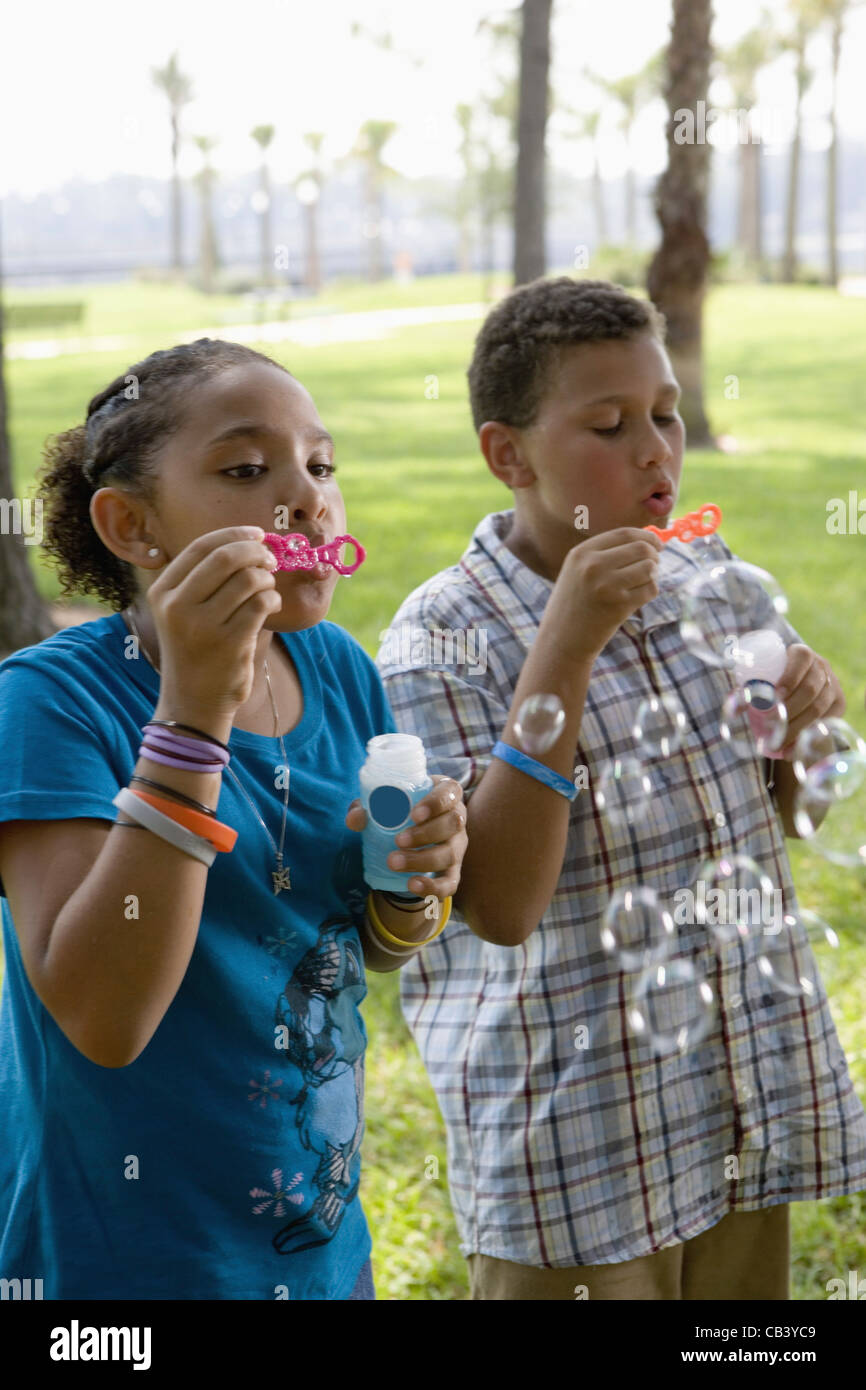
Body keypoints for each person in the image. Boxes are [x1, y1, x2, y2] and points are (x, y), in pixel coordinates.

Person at [375, 277, 866, 1301]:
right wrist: (564, 643)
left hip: (728, 1092)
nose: (654, 450)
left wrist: (801, 737)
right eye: (607, 424)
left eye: (665, 412)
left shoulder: (701, 572)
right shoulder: (441, 640)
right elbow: (500, 904)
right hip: (575, 1140)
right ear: (507, 454)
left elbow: (772, 813)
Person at [0, 338, 467, 1300]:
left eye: (321, 464)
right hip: (123, 1261)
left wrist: (417, 886)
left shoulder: (335, 666)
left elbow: (356, 947)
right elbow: (103, 1016)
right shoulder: (50, 704)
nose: (307, 496)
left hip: (314, 1242)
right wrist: (192, 715)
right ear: (132, 525)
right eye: (248, 470)